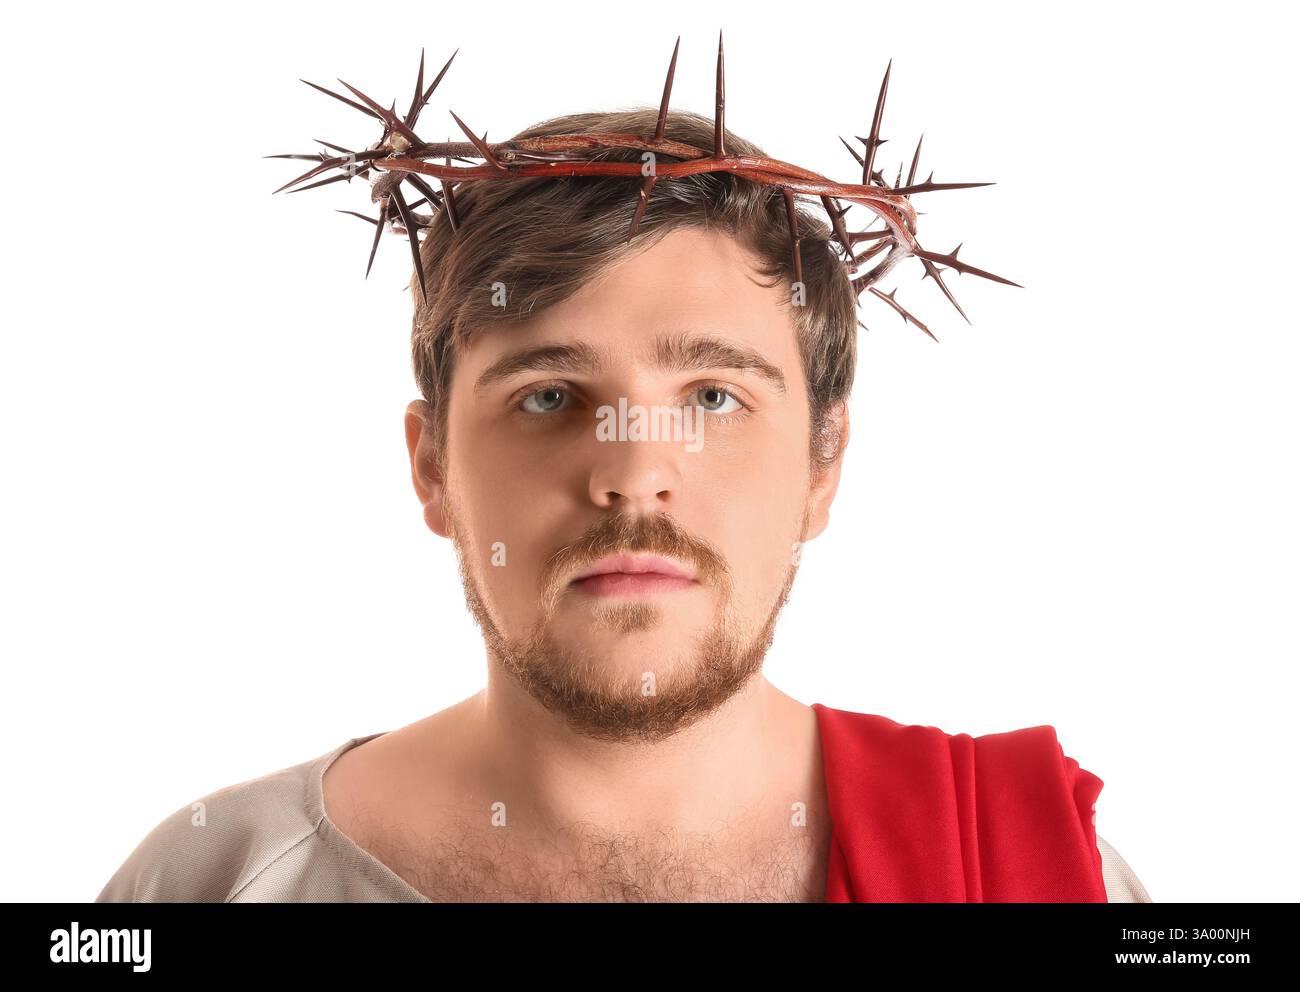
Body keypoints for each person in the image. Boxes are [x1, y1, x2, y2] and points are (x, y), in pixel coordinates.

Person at [96, 104, 1151, 903]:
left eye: (712, 396)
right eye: (550, 395)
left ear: (822, 462)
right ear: (431, 467)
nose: (633, 469)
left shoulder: (1046, 868)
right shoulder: (211, 878)